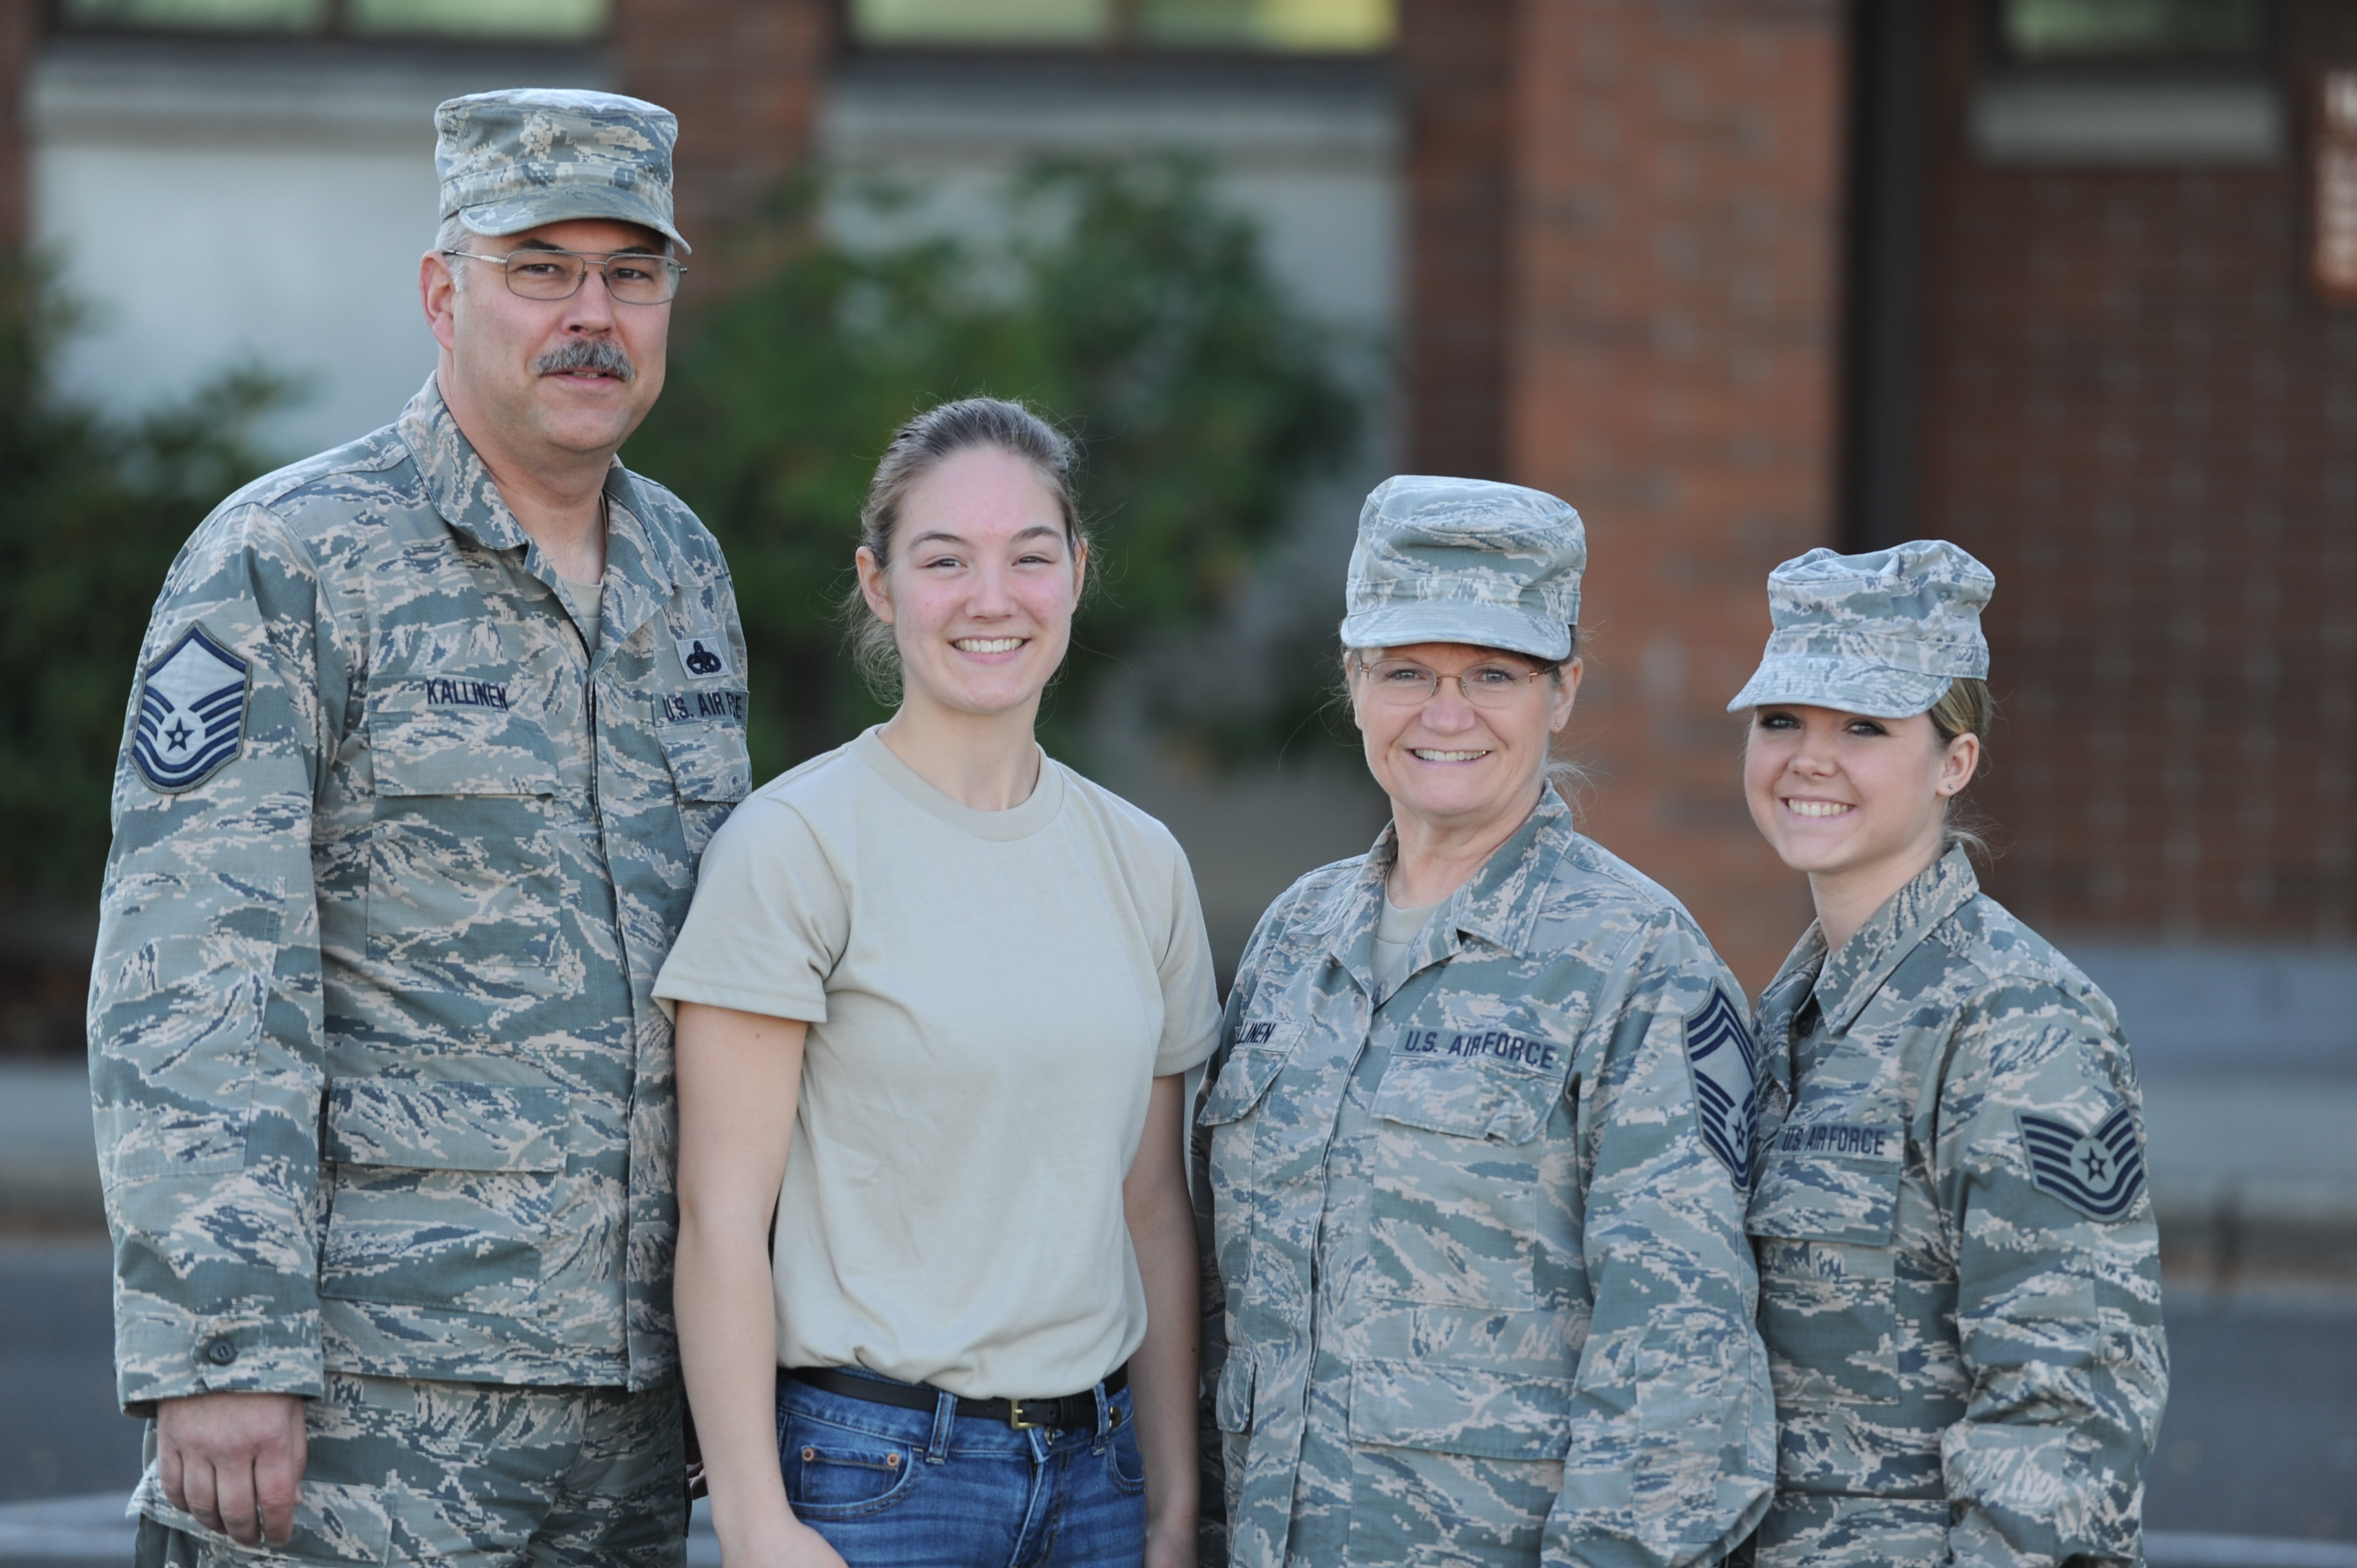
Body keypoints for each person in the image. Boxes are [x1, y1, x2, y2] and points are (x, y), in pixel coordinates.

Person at [87, 89, 746, 1567]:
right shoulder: (288, 561)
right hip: (359, 1418)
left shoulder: (684, 575)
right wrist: (220, 1350)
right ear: (443, 293)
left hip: (630, 1415)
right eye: (540, 269)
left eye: (631, 274)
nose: (592, 314)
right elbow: (195, 973)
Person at [657, 396, 1220, 1568]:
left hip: (1101, 1484)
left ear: (1077, 573)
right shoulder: (794, 847)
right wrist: (758, 1526)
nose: (991, 598)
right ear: (879, 585)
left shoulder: (1142, 863)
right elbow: (720, 1221)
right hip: (874, 1480)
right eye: (943, 560)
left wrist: (1169, 1510)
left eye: (1029, 556)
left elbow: (1152, 1213)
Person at [1195, 476, 1777, 1568]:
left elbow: (1681, 1368)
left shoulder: (1637, 963)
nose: (1445, 713)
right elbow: (1224, 1310)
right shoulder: (1290, 940)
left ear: (1562, 692)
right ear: (1355, 682)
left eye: (1493, 674)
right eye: (1407, 670)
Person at [1728, 541, 2166, 1568]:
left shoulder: (2014, 1020)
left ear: (1954, 762)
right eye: (1782, 719)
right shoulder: (1784, 1017)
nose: (1808, 759)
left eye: (1866, 728)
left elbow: (2071, 1399)